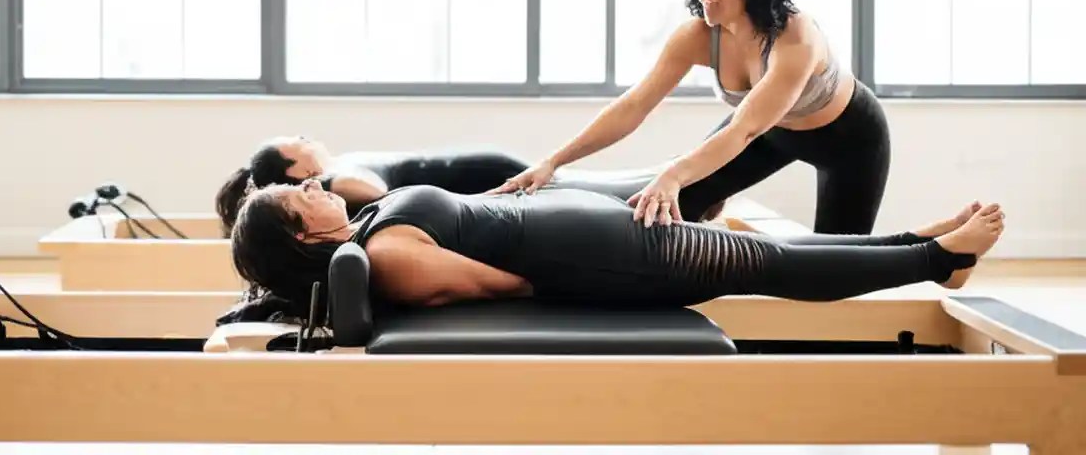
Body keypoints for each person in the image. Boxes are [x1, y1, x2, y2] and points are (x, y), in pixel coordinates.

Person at [489, 0, 891, 236]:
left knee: (835, 268)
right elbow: (634, 105)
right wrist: (552, 162)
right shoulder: (698, 36)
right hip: (770, 133)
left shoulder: (797, 38)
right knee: (670, 201)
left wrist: (675, 171)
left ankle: (942, 256)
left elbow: (743, 130)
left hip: (847, 141)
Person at [229, 179, 1003, 320]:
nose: (322, 186)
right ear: (303, 233)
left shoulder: (370, 224)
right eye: (306, 196)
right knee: (774, 264)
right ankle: (936, 263)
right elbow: (502, 286)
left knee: (777, 249)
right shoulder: (384, 251)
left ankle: (918, 242)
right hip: (615, 261)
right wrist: (587, 263)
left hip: (607, 236)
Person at [215, 136, 674, 237]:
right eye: (298, 143)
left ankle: (680, 181)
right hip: (487, 185)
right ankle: (680, 185)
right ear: (298, 174)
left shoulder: (333, 174)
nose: (308, 139)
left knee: (595, 186)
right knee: (597, 190)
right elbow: (379, 197)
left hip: (485, 177)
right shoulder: (338, 181)